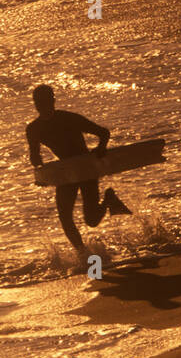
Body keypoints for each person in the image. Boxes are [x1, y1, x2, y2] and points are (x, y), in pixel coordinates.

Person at [26, 85, 132, 254]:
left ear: (53, 101)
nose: (42, 105)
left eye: (46, 100)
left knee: (91, 220)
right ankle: (83, 254)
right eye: (38, 102)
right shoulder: (33, 129)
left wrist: (101, 148)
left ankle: (109, 199)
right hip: (66, 172)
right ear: (35, 104)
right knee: (65, 217)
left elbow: (103, 132)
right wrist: (42, 174)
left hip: (86, 168)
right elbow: (35, 158)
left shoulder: (69, 119)